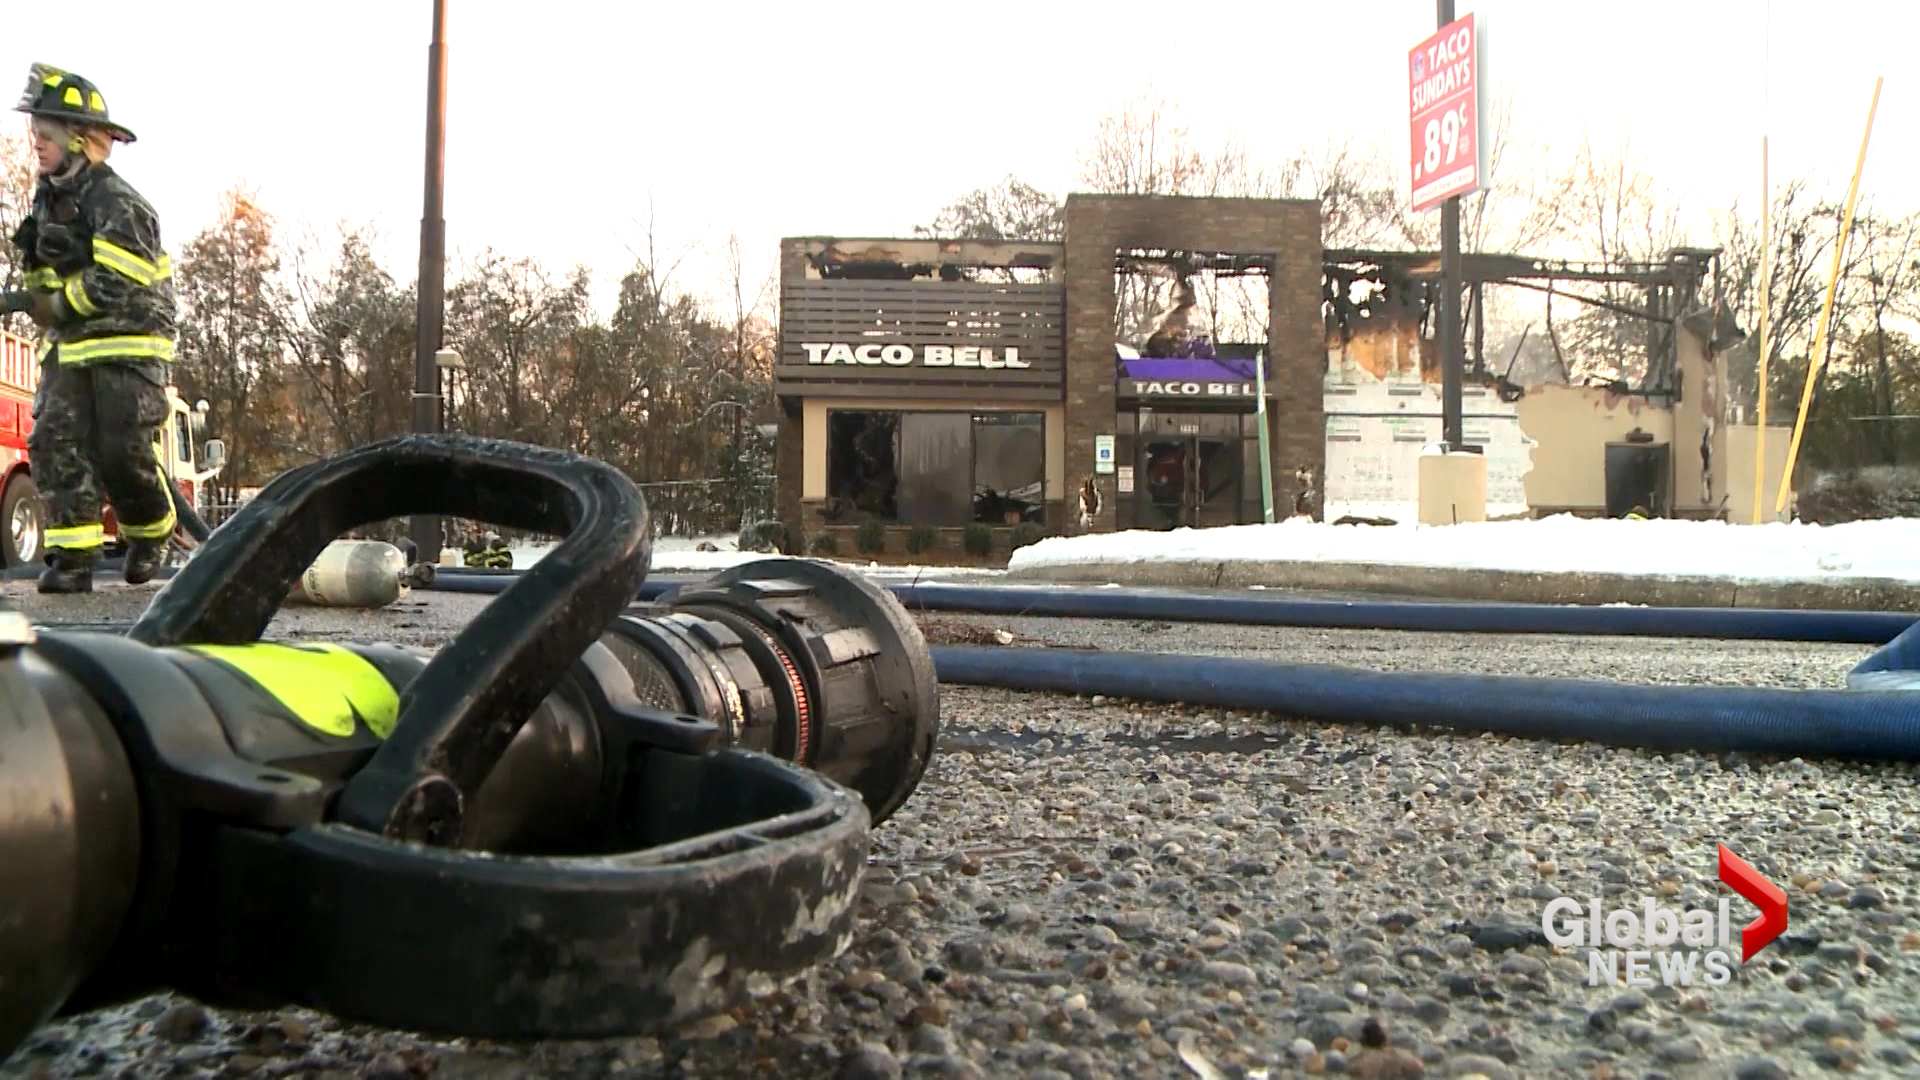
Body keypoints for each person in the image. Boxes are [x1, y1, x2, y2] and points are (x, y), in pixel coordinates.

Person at [0, 63, 179, 594]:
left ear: (78, 138)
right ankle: (72, 560)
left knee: (120, 449)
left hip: (129, 344)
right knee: (55, 442)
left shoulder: (118, 203)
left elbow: (115, 284)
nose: (36, 143)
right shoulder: (47, 199)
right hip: (71, 347)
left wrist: (54, 304)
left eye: (45, 133)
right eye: (33, 133)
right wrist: (27, 294)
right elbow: (45, 270)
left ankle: (152, 532)